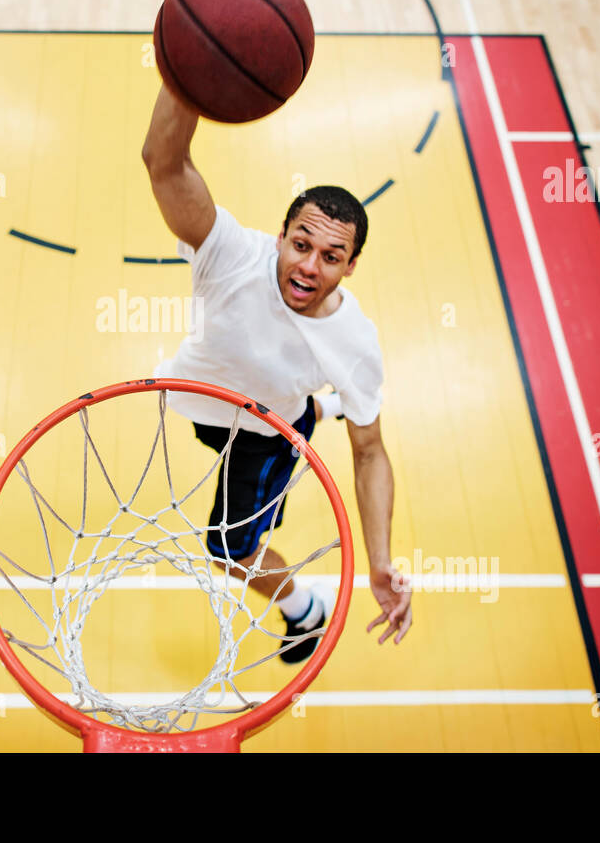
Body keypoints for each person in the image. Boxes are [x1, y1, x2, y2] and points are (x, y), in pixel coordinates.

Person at [141, 77, 413, 663]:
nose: (309, 267)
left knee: (227, 551)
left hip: (263, 436)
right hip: (205, 406)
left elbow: (369, 454)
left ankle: (302, 608)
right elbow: (163, 163)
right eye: (301, 245)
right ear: (280, 238)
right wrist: (189, 64)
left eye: (332, 257)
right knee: (281, 392)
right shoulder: (233, 252)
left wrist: (381, 560)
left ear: (351, 265)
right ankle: (320, 403)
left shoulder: (354, 341)